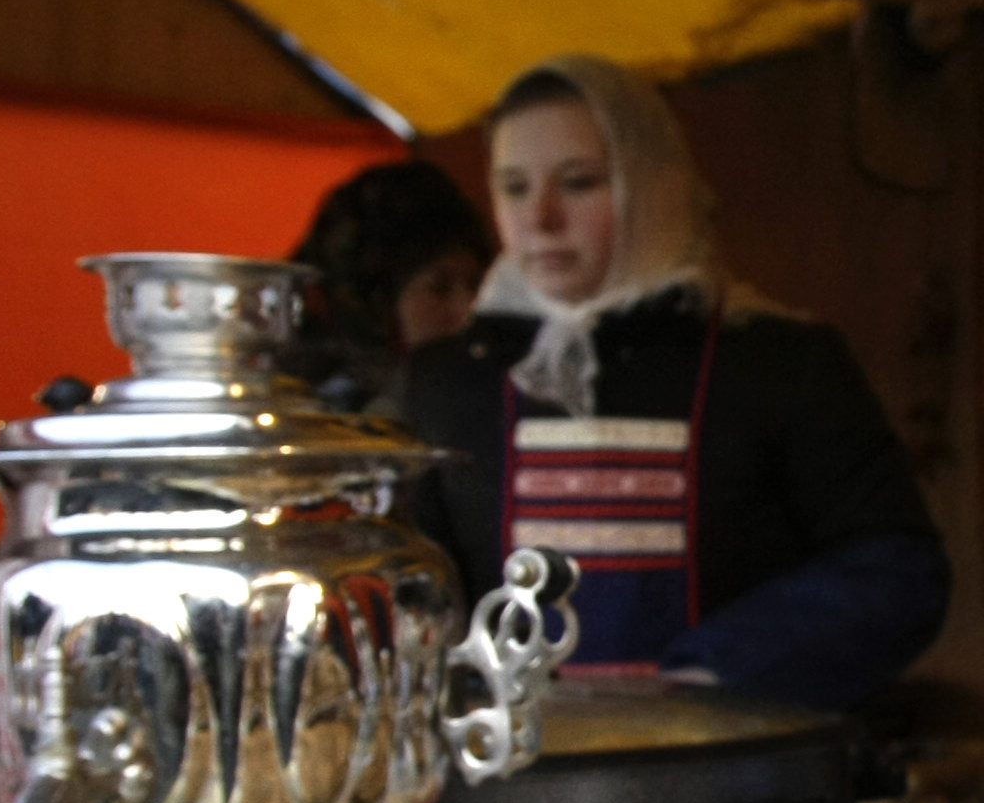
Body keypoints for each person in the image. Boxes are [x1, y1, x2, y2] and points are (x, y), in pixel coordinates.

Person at [403, 53, 950, 713]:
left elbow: (896, 570)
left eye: (578, 183)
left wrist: (717, 671)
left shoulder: (777, 362)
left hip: (733, 784)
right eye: (514, 187)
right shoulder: (448, 385)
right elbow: (413, 591)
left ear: (652, 182)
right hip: (511, 790)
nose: (540, 219)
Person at [284, 158, 495, 413]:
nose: (470, 310)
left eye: (476, 285)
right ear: (375, 304)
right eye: (439, 289)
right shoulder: (306, 411)